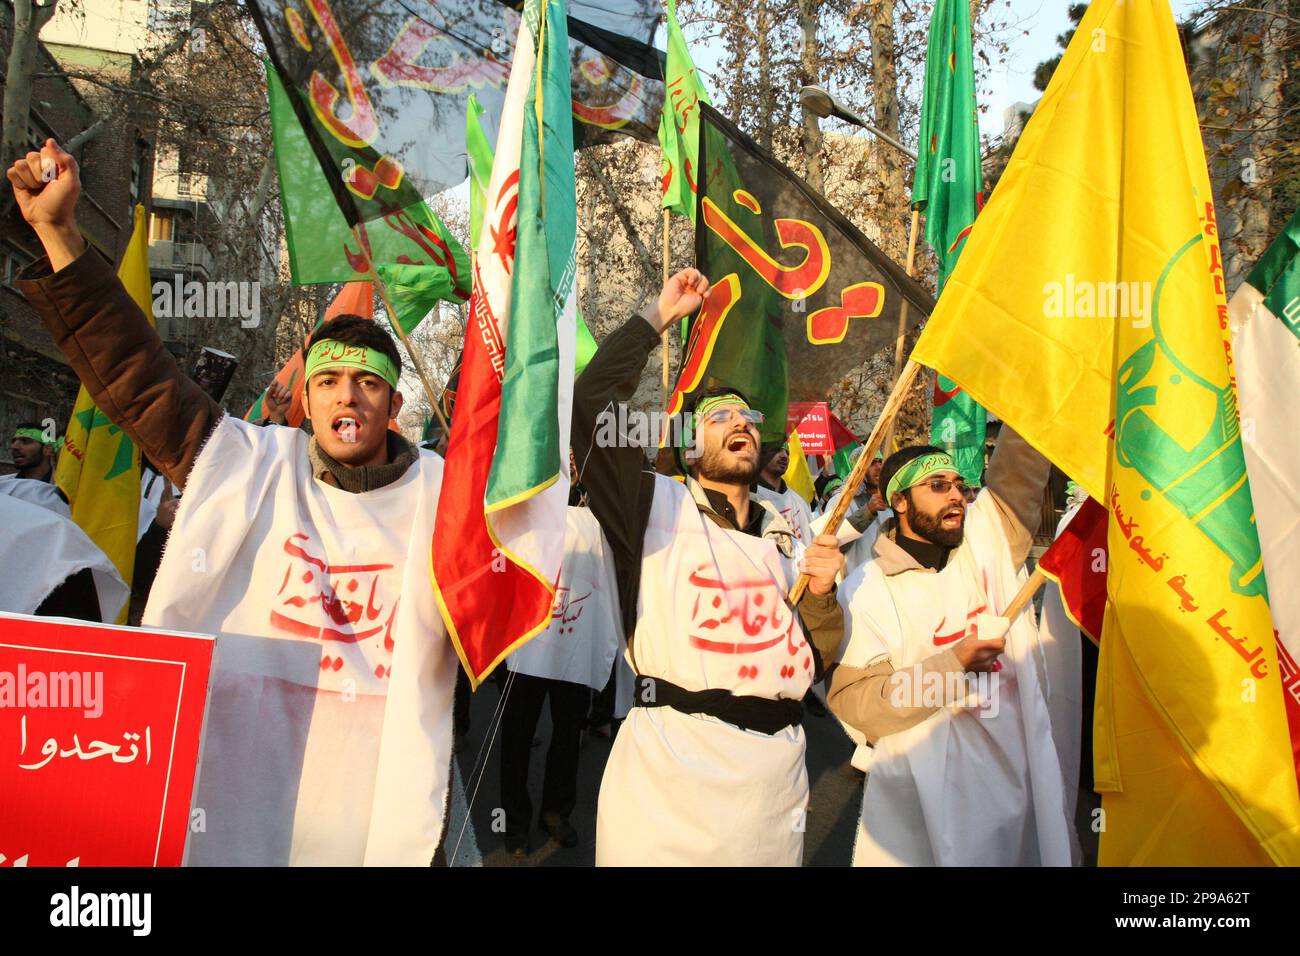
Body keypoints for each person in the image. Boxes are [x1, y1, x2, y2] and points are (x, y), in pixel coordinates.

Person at [9, 139, 458, 866]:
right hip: (221, 805)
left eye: (367, 382)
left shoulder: (445, 495)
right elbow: (138, 375)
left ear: (395, 403)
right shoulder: (246, 462)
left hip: (376, 809)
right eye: (329, 380)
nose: (348, 394)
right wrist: (60, 234)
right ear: (306, 400)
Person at [572, 267, 846, 866]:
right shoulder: (649, 504)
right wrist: (657, 317)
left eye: (747, 417)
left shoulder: (786, 529)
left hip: (774, 791)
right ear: (687, 447)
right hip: (672, 781)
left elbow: (816, 657)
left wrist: (822, 595)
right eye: (720, 418)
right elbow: (593, 405)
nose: (742, 423)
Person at [828, 438, 1075, 866]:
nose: (957, 494)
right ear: (899, 502)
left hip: (1015, 790)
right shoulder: (865, 589)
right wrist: (952, 665)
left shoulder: (986, 547)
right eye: (937, 486)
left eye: (959, 484)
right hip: (924, 805)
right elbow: (858, 703)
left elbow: (1023, 460)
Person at [499, 498, 621, 858]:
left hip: (575, 640)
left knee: (568, 735)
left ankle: (556, 813)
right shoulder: (528, 498)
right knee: (517, 735)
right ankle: (514, 823)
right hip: (527, 642)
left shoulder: (597, 500)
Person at [2, 422, 69, 516]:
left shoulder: (64, 494)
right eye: (13, 441)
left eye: (25, 441)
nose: (14, 447)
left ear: (47, 449)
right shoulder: (4, 487)